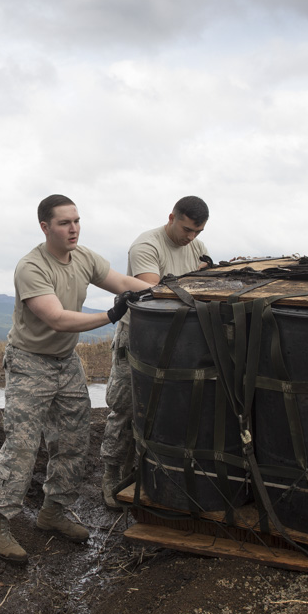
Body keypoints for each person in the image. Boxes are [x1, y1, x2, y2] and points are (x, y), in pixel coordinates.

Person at [0, 194, 155, 563]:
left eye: (77, 221)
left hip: (66, 362)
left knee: (75, 442)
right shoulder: (31, 267)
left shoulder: (84, 257)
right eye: (64, 223)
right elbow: (58, 318)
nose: (73, 228)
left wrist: (162, 289)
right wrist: (111, 316)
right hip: (30, 363)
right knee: (22, 446)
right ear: (46, 227)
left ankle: (53, 512)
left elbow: (122, 280)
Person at [100, 196, 211, 509]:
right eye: (187, 229)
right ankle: (110, 476)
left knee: (164, 411)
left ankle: (145, 472)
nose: (190, 237)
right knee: (125, 407)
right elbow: (154, 292)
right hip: (139, 336)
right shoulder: (147, 246)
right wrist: (198, 279)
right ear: (172, 217)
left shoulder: (197, 246)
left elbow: (206, 274)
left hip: (181, 338)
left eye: (198, 232)